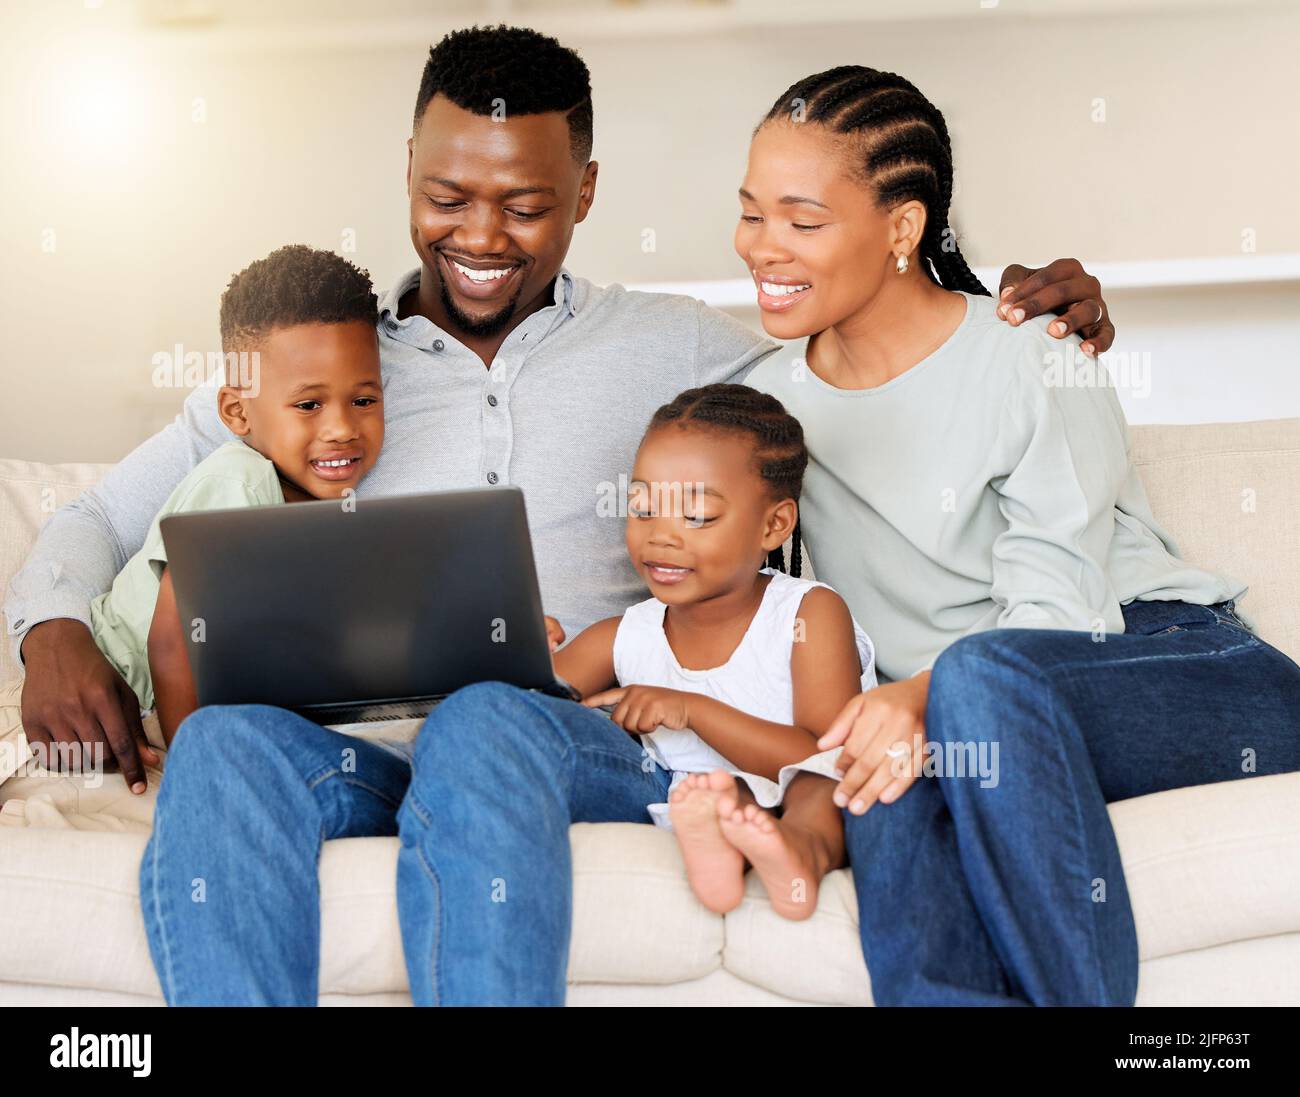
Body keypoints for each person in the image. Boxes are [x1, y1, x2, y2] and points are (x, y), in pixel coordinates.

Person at [5, 25, 1114, 1004]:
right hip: (353, 753)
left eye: (526, 205)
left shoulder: (679, 347)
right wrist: (49, 629)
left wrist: (1004, 310)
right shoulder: (317, 361)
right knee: (226, 747)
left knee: (490, 713)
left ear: (584, 192)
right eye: (446, 199)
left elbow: (864, 353)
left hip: (566, 742)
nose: (480, 235)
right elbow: (99, 513)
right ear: (407, 171)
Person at [731, 65, 1300, 1005]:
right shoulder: (764, 406)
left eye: (802, 219)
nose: (763, 247)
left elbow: (1057, 615)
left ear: (903, 228)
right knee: (888, 780)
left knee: (968, 687)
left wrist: (918, 695)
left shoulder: (1035, 355)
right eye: (751, 212)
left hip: (1171, 671)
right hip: (953, 711)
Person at [0, 245, 381, 789]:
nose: (342, 427)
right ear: (235, 412)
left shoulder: (317, 507)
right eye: (308, 405)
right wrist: (194, 771)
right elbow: (175, 640)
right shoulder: (239, 482)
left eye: (364, 401)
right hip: (92, 712)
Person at [538, 384, 876, 918]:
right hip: (692, 803)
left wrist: (692, 710)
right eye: (644, 508)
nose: (662, 537)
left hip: (801, 795)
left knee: (817, 781)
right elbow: (523, 708)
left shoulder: (806, 614)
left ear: (774, 525)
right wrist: (526, 648)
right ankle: (724, 846)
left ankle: (799, 856)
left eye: (695, 516)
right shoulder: (623, 636)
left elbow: (821, 751)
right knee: (704, 797)